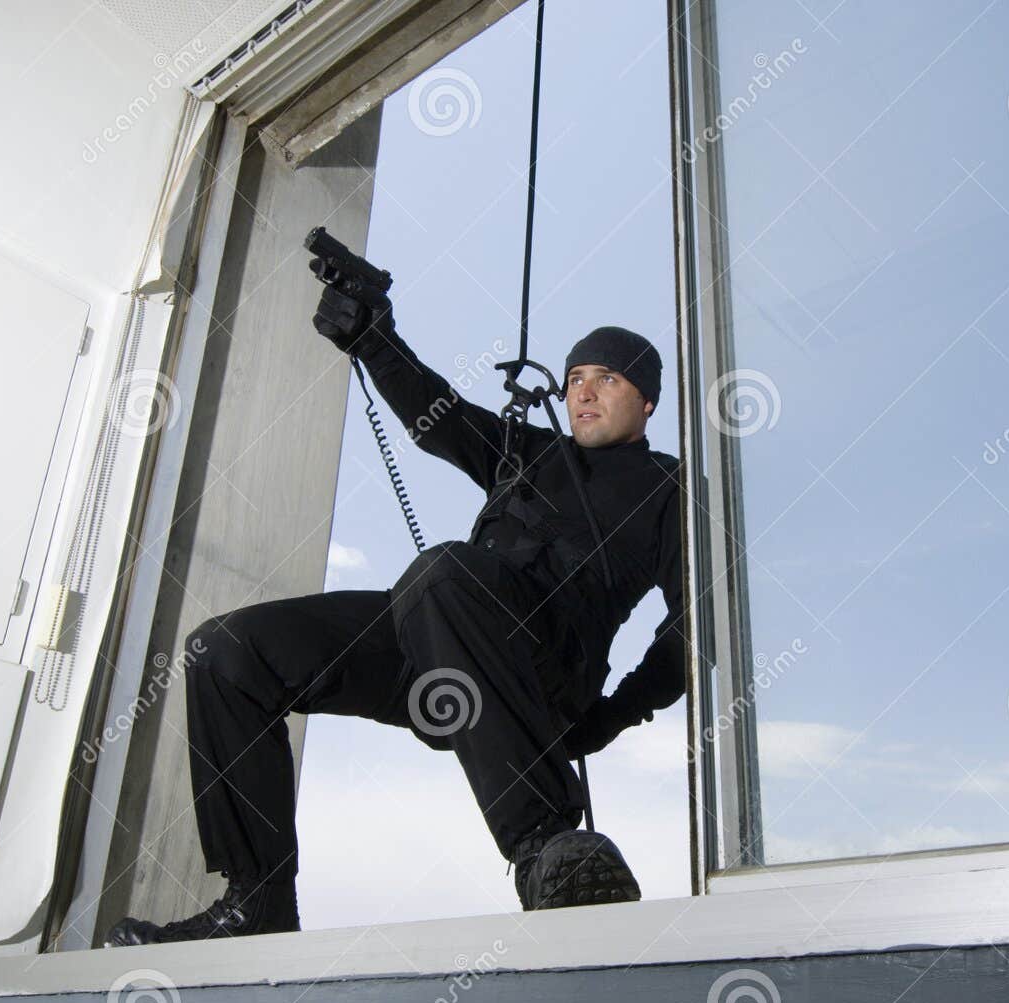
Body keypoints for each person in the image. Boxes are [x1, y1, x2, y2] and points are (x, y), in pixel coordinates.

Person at [105, 259, 685, 947]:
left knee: (443, 572)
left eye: (607, 378)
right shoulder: (530, 452)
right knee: (226, 652)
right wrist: (374, 337)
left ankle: (543, 846)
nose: (582, 391)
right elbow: (437, 417)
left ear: (647, 400)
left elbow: (691, 629)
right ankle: (258, 901)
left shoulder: (669, 490)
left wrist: (610, 717)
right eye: (575, 377)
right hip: (438, 636)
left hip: (539, 674)